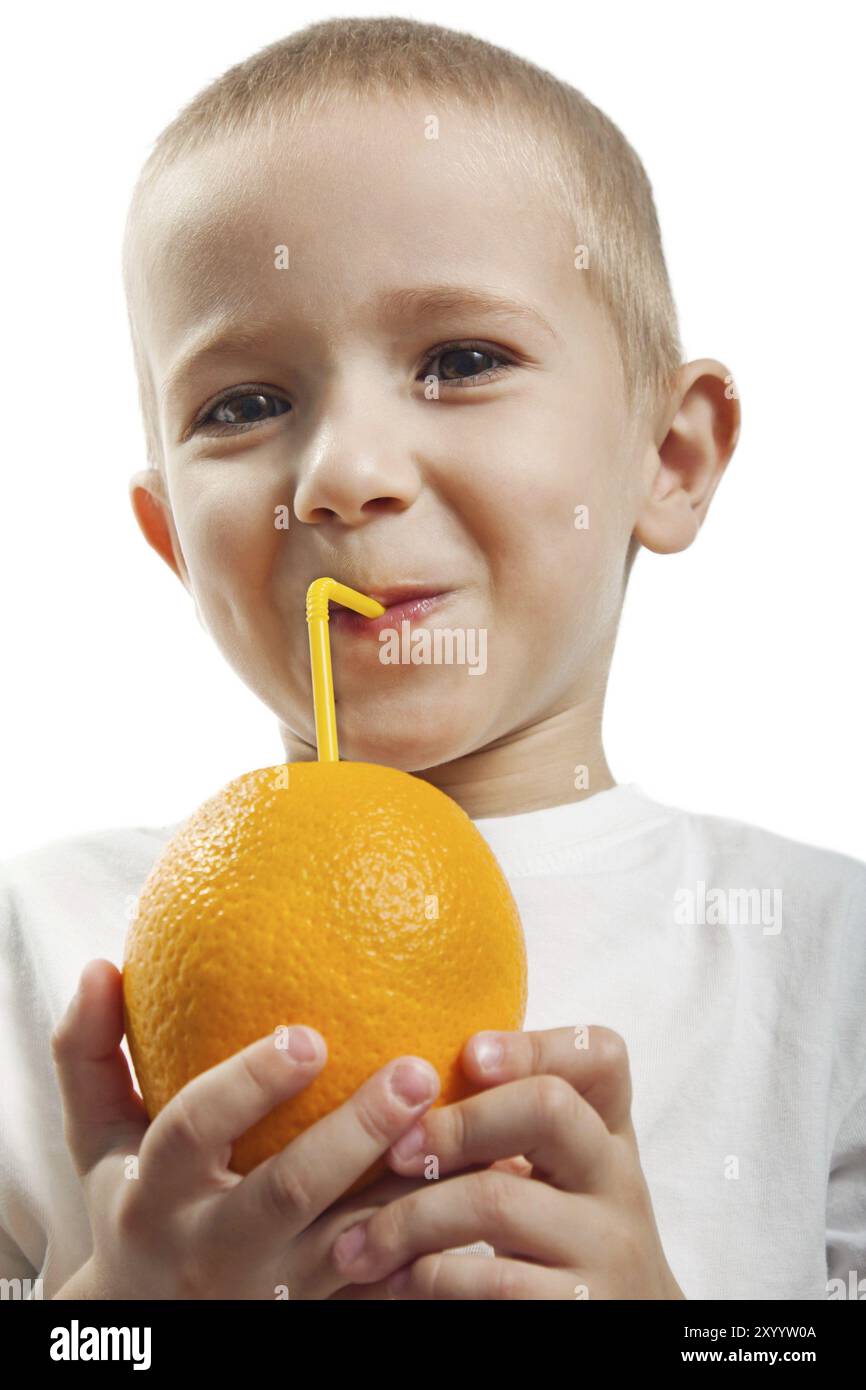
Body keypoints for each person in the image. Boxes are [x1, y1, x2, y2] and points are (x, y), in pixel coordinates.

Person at [2, 16, 863, 1301]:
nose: (343, 474)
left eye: (460, 361)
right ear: (172, 537)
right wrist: (115, 1324)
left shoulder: (824, 965)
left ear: (668, 461)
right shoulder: (49, 957)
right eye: (242, 404)